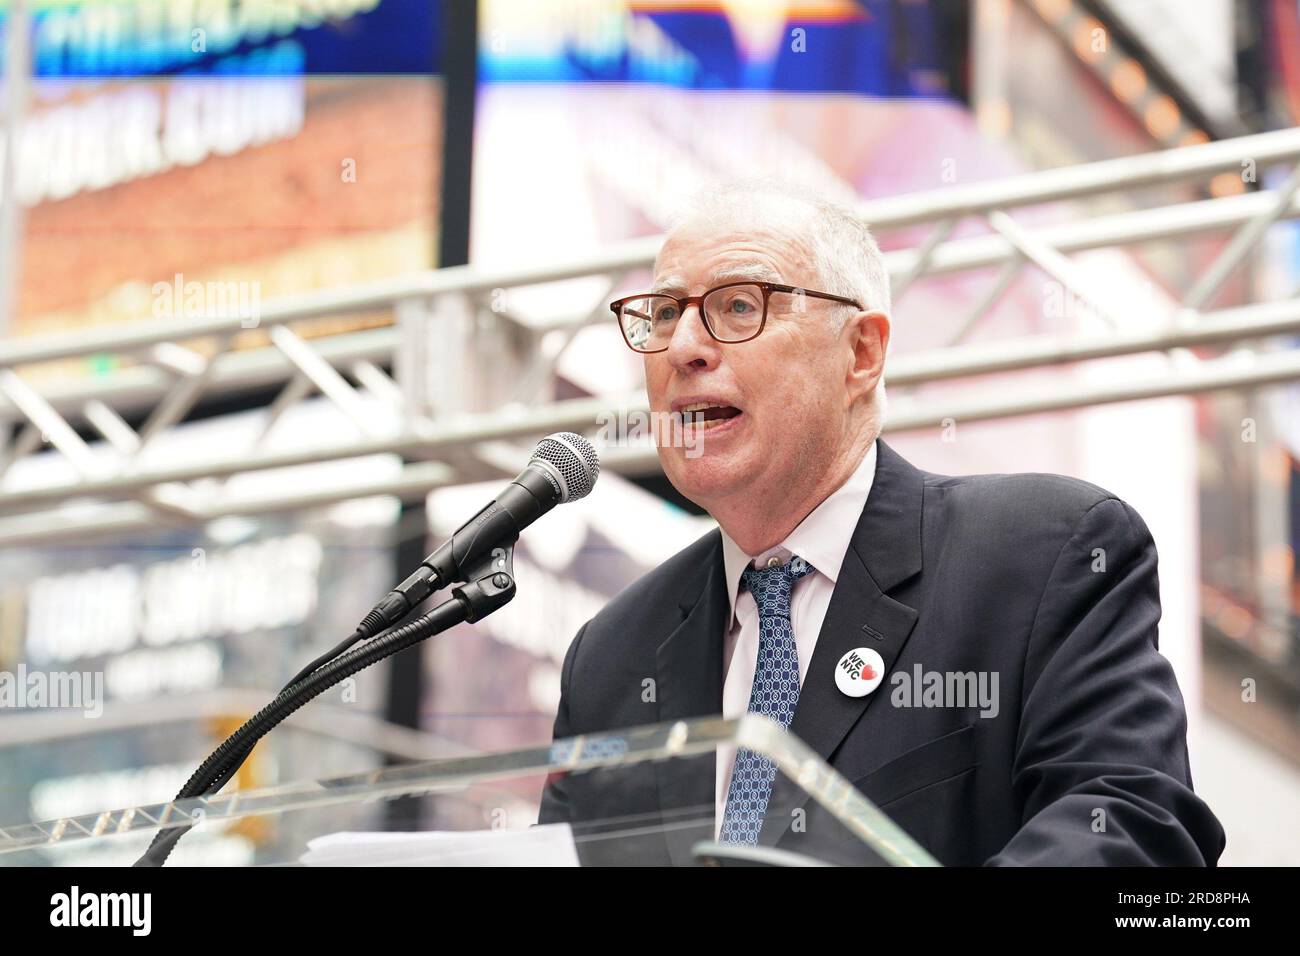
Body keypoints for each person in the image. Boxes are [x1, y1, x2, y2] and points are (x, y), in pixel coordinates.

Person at [538, 182, 1225, 867]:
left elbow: (1133, 823)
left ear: (861, 353)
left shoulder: (1044, 555)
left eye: (739, 306)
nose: (683, 346)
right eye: (661, 315)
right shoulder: (612, 655)